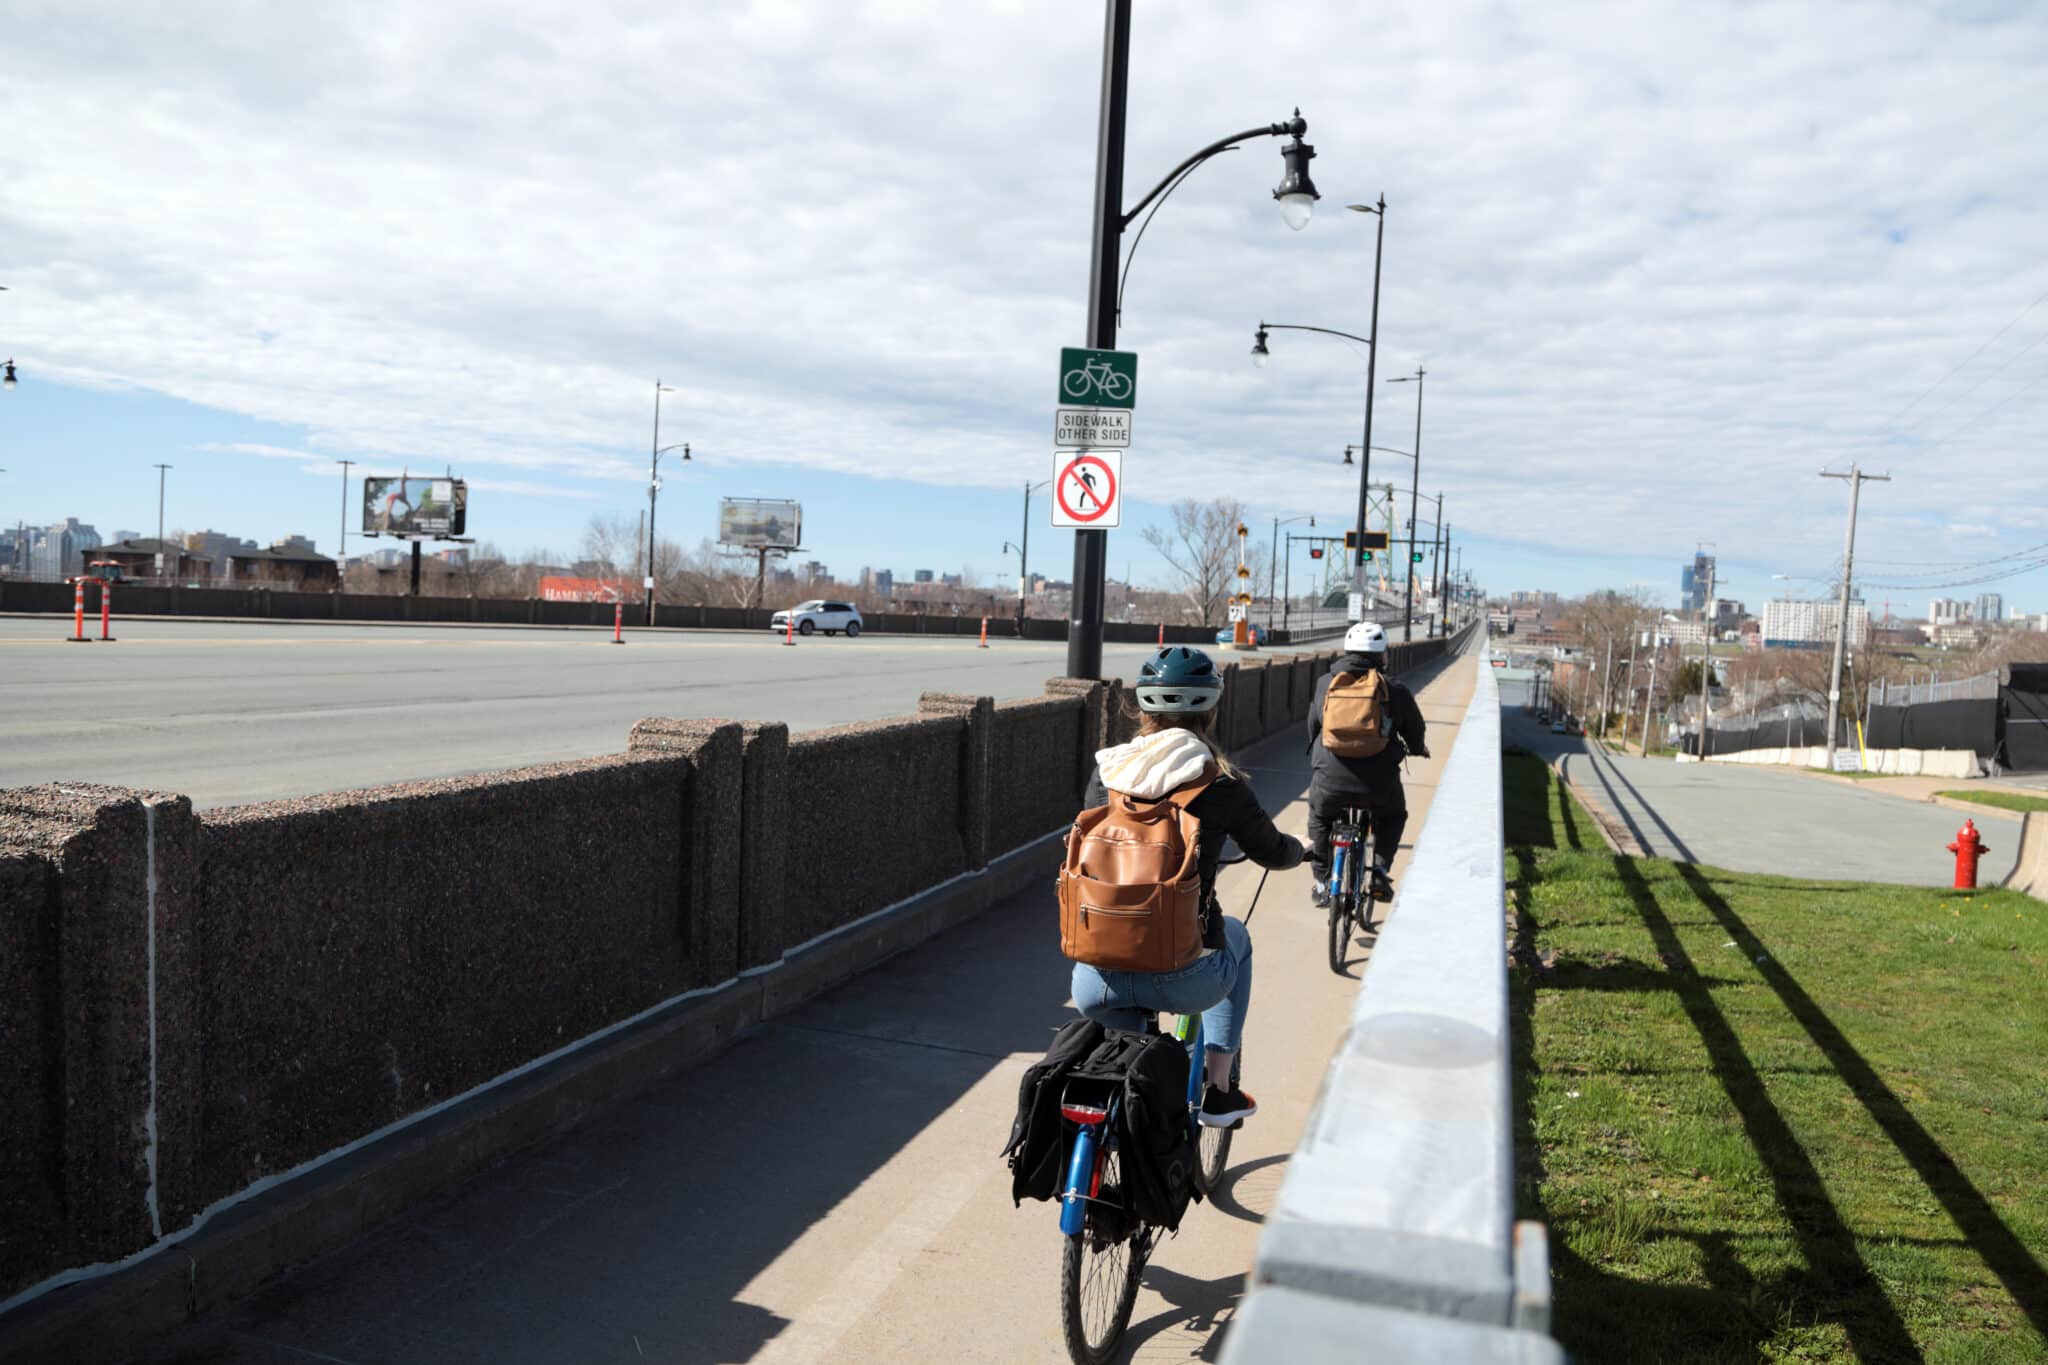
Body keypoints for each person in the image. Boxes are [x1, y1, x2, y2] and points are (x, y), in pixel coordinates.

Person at [1069, 646, 1308, 1128]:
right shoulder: (1221, 785)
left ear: (1142, 709)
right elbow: (1272, 852)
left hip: (1094, 978)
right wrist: (1301, 848)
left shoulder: (1106, 775)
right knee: (1235, 938)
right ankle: (1219, 1092)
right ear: (1211, 712)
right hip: (1183, 978)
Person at [1307, 621, 1428, 904]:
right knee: (1394, 815)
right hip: (1378, 784)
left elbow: (1312, 725)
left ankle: (1322, 880)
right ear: (1382, 655)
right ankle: (1379, 873)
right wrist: (1417, 748)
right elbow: (1415, 728)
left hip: (1330, 779)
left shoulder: (1325, 684)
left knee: (1320, 816)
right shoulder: (1394, 689)